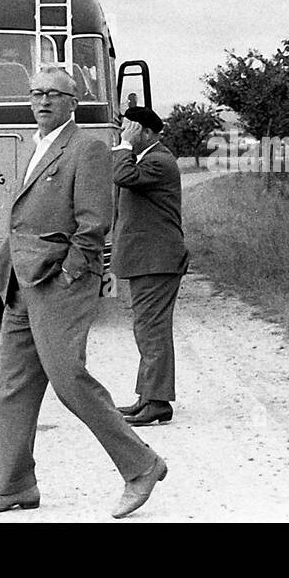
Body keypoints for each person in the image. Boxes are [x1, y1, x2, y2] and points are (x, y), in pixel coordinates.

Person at [0, 66, 167, 518]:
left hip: (58, 284)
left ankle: (141, 466)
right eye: (36, 93)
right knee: (13, 387)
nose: (42, 101)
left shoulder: (87, 148)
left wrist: (70, 275)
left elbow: (94, 223)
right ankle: (14, 486)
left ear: (73, 102)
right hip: (22, 283)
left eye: (54, 94)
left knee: (69, 381)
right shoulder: (37, 146)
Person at [111, 106, 188, 427]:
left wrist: (123, 146)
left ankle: (157, 402)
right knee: (147, 328)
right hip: (150, 259)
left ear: (144, 132)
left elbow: (120, 175)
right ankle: (148, 397)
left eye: (130, 129)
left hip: (157, 260)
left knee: (151, 329)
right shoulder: (149, 159)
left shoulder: (158, 161)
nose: (124, 134)